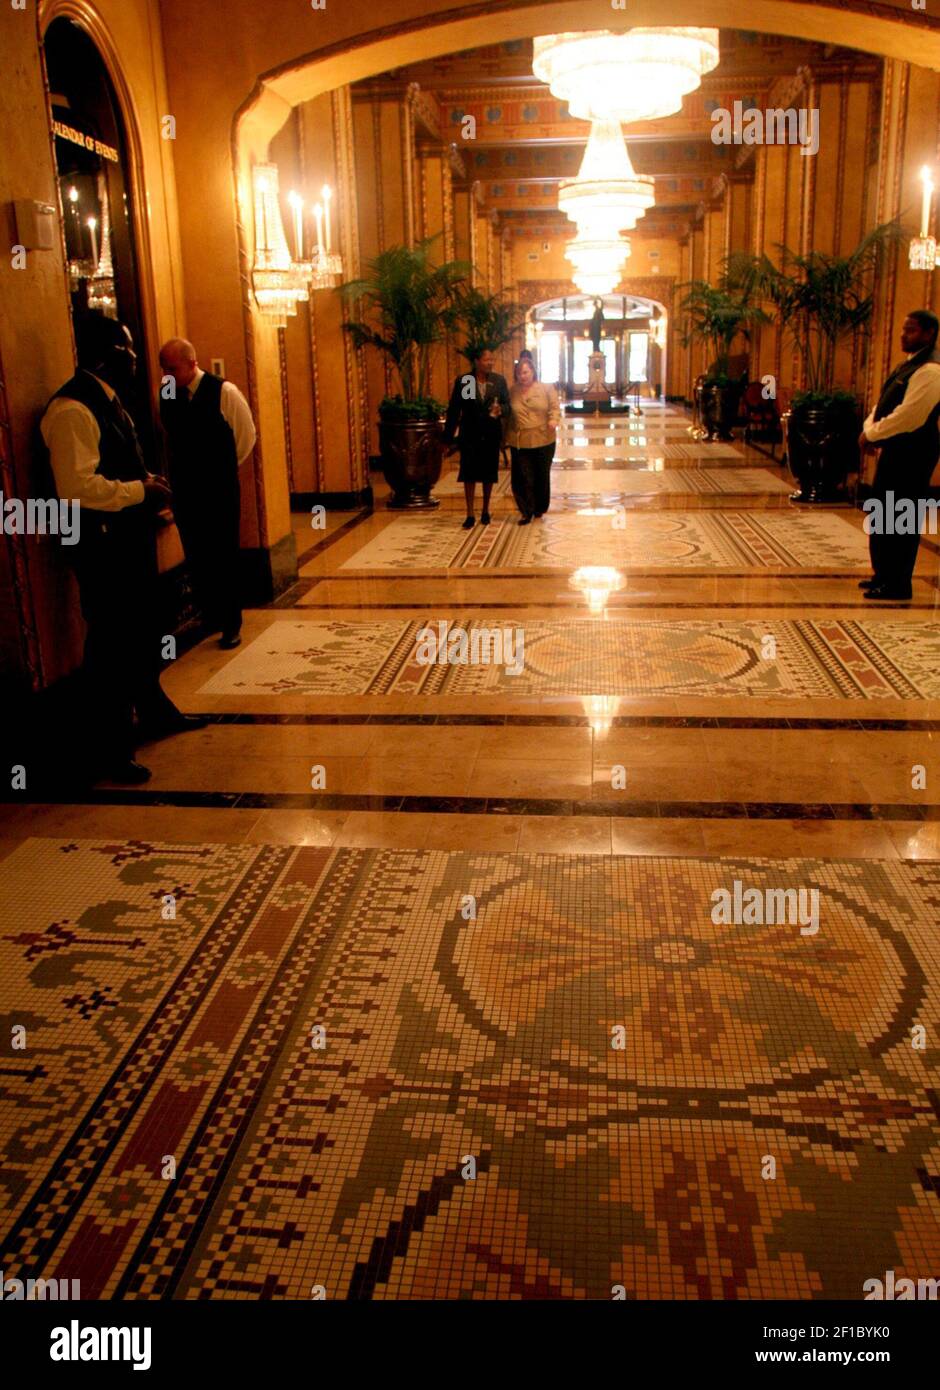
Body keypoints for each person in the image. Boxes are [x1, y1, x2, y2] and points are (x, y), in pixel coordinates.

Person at [41, 311, 206, 784]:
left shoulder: (108, 401)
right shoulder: (72, 409)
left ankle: (154, 711)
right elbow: (76, 489)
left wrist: (145, 482)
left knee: (138, 633)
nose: (136, 357)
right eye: (128, 348)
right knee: (111, 646)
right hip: (100, 547)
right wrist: (140, 492)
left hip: (125, 542)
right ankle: (107, 749)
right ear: (106, 356)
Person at [158, 338, 256, 648]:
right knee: (197, 554)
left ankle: (231, 623)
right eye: (163, 369)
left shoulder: (223, 391)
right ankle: (211, 615)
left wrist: (222, 468)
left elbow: (246, 435)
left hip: (219, 488)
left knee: (223, 554)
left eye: (171, 369)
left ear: (191, 363)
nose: (166, 376)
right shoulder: (168, 393)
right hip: (186, 490)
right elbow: (170, 434)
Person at [859, 309, 940, 600]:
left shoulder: (930, 370)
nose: (904, 335)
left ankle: (897, 582)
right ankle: (882, 574)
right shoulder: (908, 365)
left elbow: (910, 417)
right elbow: (882, 406)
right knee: (882, 511)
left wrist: (872, 434)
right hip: (895, 448)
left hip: (914, 451)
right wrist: (870, 430)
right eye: (904, 330)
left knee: (901, 515)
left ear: (929, 334)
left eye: (912, 330)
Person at [443, 347, 510, 528]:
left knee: (489, 473)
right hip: (470, 434)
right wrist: (448, 438)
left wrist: (500, 410)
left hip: (490, 433)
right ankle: (470, 513)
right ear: (477, 361)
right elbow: (456, 410)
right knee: (469, 473)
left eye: (492, 360)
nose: (490, 363)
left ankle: (486, 510)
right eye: (487, 360)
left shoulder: (498, 381)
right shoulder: (466, 382)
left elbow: (507, 406)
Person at [507, 355, 560, 525]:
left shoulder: (546, 388)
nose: (523, 376)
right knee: (522, 477)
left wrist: (553, 420)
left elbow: (554, 408)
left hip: (543, 438)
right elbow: (508, 414)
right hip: (519, 440)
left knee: (540, 475)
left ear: (533, 372)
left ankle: (539, 507)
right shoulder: (512, 391)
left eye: (526, 372)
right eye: (519, 373)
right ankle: (525, 511)